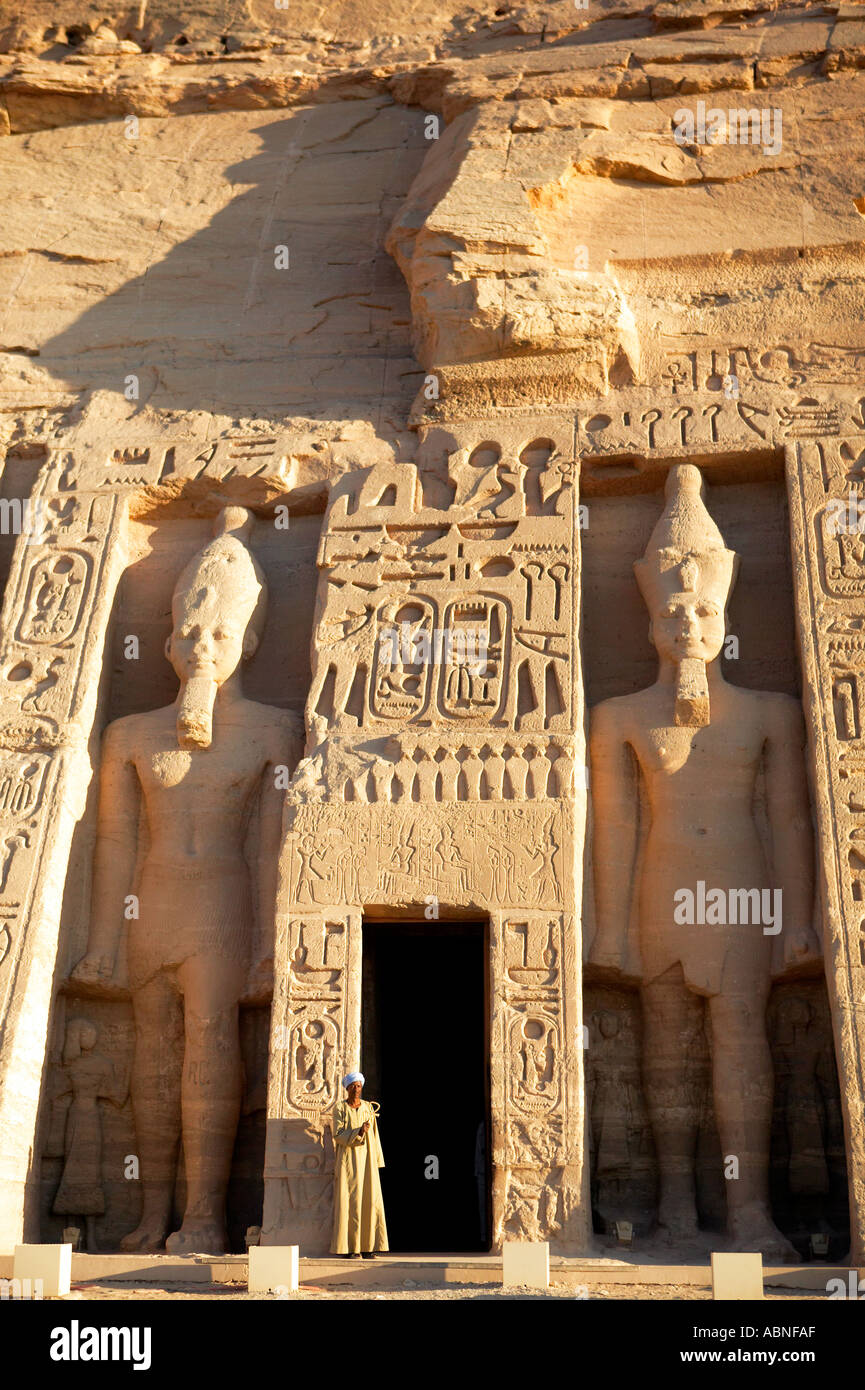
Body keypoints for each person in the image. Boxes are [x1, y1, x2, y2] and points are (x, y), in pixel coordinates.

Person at [331, 1071, 388, 1258]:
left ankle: (368, 1247)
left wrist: (377, 1159)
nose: (356, 1089)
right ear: (347, 1088)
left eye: (359, 1086)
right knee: (350, 1202)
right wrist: (359, 1132)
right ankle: (350, 1249)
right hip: (348, 1160)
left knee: (370, 1201)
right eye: (353, 1086)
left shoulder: (368, 1108)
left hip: (367, 1160)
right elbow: (338, 1134)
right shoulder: (340, 1108)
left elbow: (375, 1135)